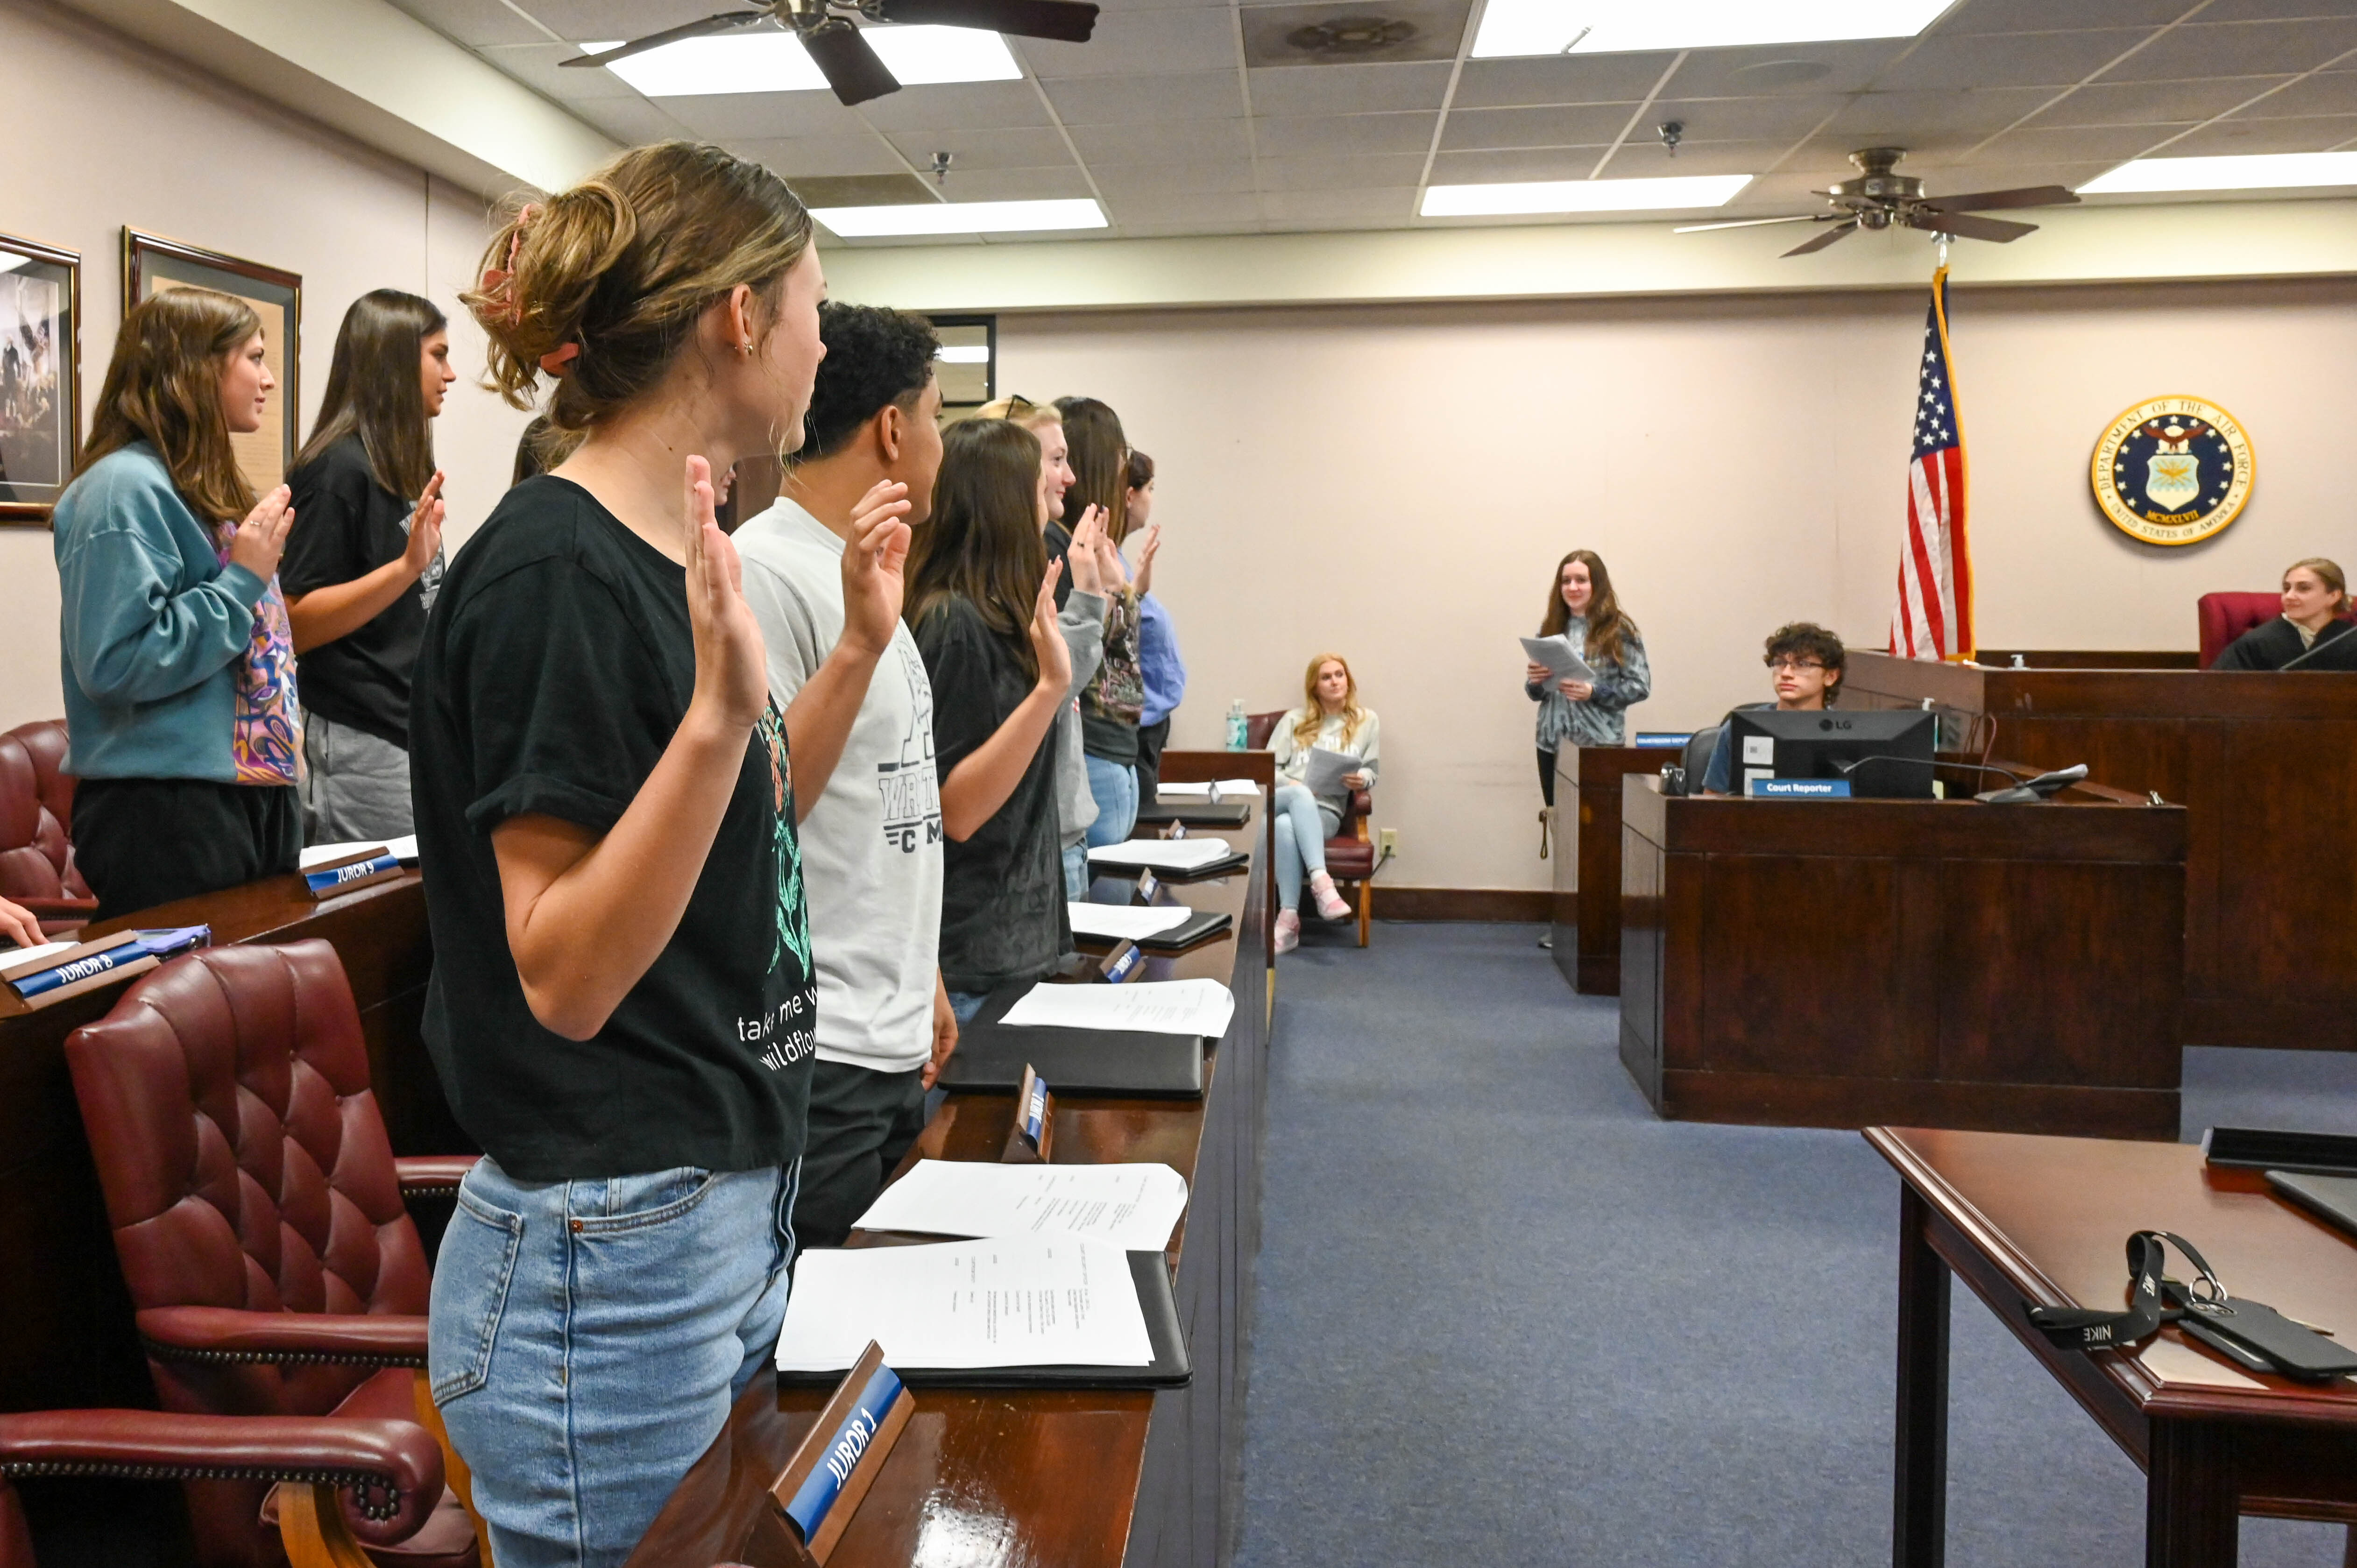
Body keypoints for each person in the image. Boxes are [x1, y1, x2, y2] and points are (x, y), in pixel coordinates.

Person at [413, 140, 908, 1568]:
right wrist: (711, 718)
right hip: (612, 1249)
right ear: (739, 318)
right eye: (812, 304)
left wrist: (853, 650)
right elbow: (562, 972)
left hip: (706, 1208)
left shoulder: (667, 550)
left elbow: (747, 824)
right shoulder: (556, 572)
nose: (825, 343)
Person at [734, 303, 954, 1250]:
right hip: (821, 1052)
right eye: (939, 417)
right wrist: (860, 644)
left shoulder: (862, 568)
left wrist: (925, 974)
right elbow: (765, 810)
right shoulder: (765, 570)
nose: (943, 443)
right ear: (894, 429)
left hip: (891, 1032)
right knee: (809, 1372)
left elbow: (888, 805)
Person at [51, 287, 300, 922]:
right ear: (196, 368)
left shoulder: (197, 483)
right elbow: (114, 665)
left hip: (246, 792)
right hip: (166, 809)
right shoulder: (120, 490)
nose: (268, 378)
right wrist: (242, 581)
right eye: (254, 357)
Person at [909, 417, 1074, 1023]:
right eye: (1038, 486)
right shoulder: (953, 622)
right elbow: (957, 806)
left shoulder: (1001, 615)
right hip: (970, 955)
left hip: (1016, 941)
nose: (1051, 499)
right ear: (1002, 499)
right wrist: (1049, 690)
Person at [280, 290, 453, 842]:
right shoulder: (336, 470)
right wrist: (403, 569)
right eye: (439, 355)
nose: (449, 374)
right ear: (398, 360)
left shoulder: (399, 463)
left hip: (411, 733)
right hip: (360, 740)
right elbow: (295, 620)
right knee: (387, 919)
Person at [979, 395, 1107, 896]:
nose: (1069, 477)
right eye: (1055, 461)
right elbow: (1051, 684)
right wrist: (1093, 595)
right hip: (1035, 833)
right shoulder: (1007, 572)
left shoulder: (1032, 556)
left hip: (1058, 826)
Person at [1057, 396, 1147, 849]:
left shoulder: (1099, 548)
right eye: (1117, 455)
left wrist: (1121, 592)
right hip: (1092, 745)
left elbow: (1125, 663)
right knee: (1104, 905)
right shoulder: (1062, 550)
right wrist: (1112, 595)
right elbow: (1076, 664)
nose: (1123, 468)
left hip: (1118, 743)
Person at [1267, 654, 1380, 955]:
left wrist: (1361, 779)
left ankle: (1289, 919)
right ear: (1315, 687)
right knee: (1300, 796)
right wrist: (1292, 785)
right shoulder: (1294, 720)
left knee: (1283, 826)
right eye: (1326, 677)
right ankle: (1322, 883)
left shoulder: (1367, 721)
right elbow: (1267, 769)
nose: (1334, 681)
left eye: (1339, 675)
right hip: (1284, 798)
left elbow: (1372, 770)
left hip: (1327, 813)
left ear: (1348, 680)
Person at [1524, 549, 1651, 812]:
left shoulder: (1619, 629)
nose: (1572, 587)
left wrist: (1593, 692)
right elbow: (1536, 694)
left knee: (1596, 830)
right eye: (1566, 580)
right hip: (1551, 745)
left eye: (1581, 580)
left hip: (1599, 746)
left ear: (1598, 584)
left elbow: (1640, 687)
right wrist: (1535, 681)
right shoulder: (1551, 627)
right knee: (1559, 823)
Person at [1700, 622, 1846, 794]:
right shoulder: (1739, 728)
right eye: (1780, 663)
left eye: (1802, 664)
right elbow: (1712, 802)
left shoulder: (1846, 731)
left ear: (1830, 676)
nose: (1786, 673)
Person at [1125, 449, 1184, 805]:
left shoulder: (1121, 562)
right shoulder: (1106, 563)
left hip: (1150, 729)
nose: (1152, 498)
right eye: (1150, 488)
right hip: (1134, 732)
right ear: (1131, 495)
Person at [2212, 558, 2357, 670]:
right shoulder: (2254, 644)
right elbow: (2219, 694)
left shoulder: (2349, 639)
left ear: (2333, 596)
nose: (2289, 596)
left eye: (2304, 588)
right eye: (2287, 588)